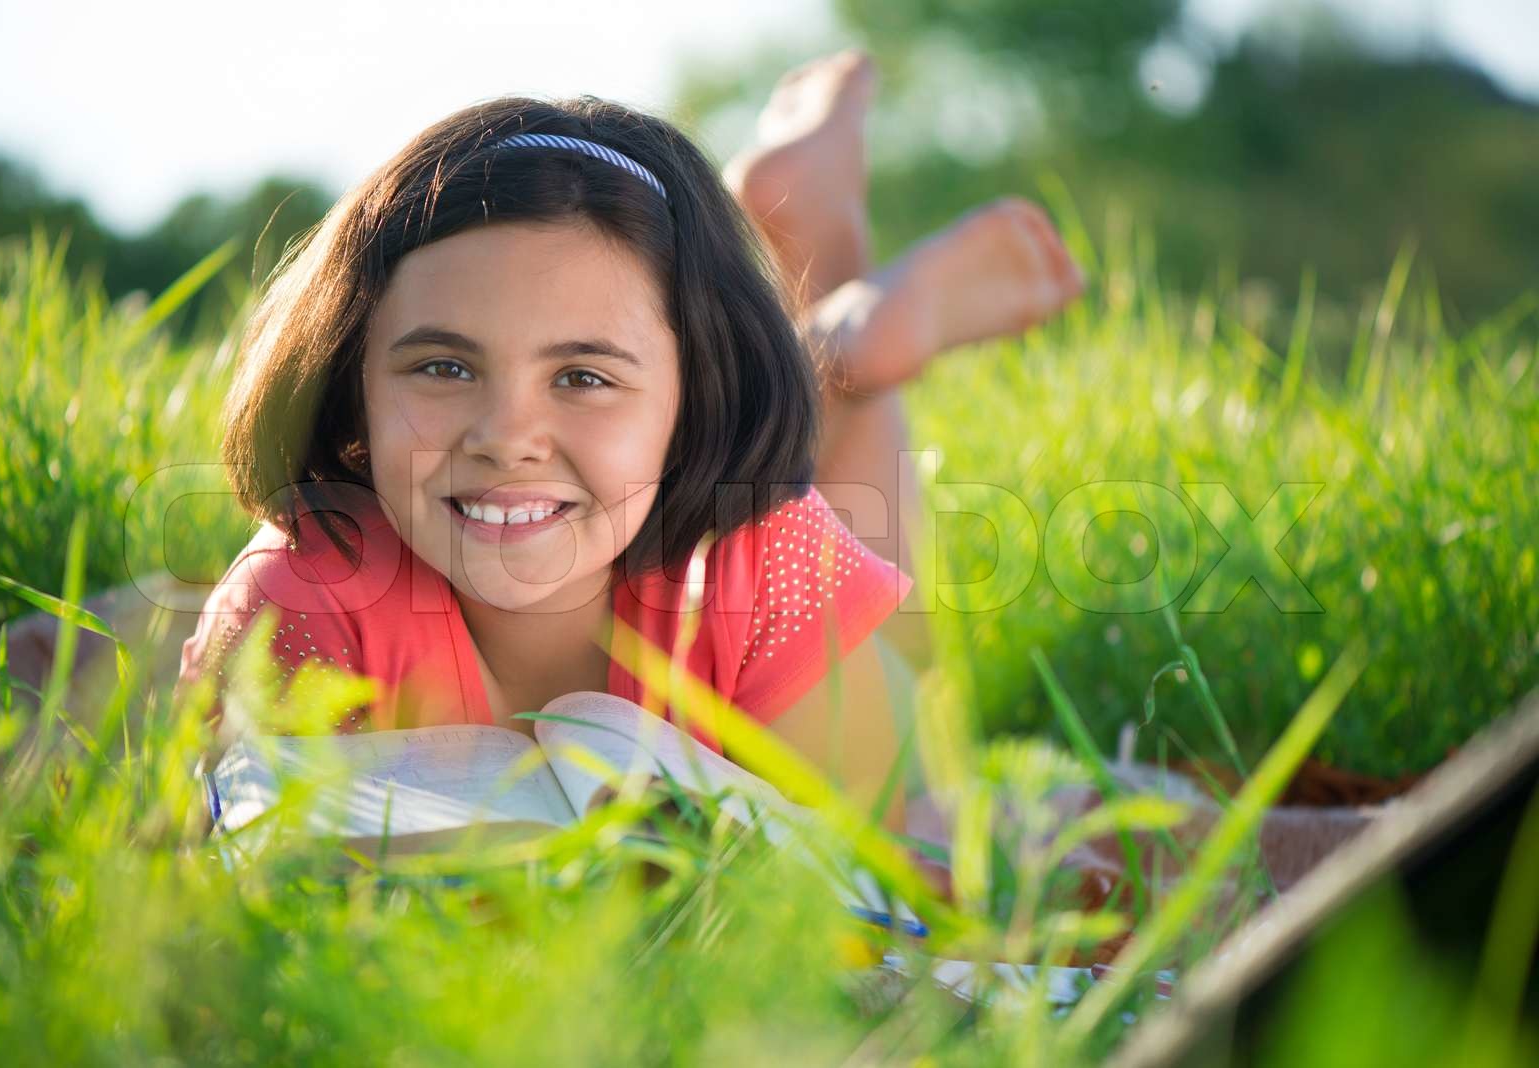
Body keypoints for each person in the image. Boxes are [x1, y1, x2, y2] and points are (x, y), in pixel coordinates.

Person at [170, 49, 1086, 836]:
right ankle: (827, 308)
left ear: (693, 404)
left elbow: (866, 877)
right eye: (445, 368)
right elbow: (246, 882)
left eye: (582, 377)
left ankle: (846, 346)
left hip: (760, 577)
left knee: (914, 687)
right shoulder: (300, 603)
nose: (506, 438)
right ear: (347, 385)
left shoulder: (767, 561)